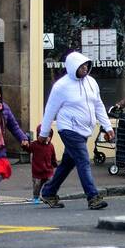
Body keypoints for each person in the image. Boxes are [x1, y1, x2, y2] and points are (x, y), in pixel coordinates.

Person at [37, 52, 114, 210]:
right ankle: (93, 197)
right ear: (72, 67)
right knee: (83, 161)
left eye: (86, 65)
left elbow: (98, 105)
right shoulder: (61, 86)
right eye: (81, 66)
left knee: (67, 163)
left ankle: (49, 192)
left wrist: (107, 127)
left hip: (84, 130)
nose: (85, 68)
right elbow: (50, 110)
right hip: (68, 129)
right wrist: (43, 133)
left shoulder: (91, 82)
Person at [25, 129, 56, 204]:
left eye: (48, 136)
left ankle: (47, 196)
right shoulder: (35, 144)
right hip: (37, 171)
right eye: (42, 136)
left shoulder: (51, 146)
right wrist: (25, 144)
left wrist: (54, 163)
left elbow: (53, 156)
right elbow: (28, 149)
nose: (46, 138)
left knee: (50, 184)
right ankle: (36, 197)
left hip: (48, 170)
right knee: (37, 185)